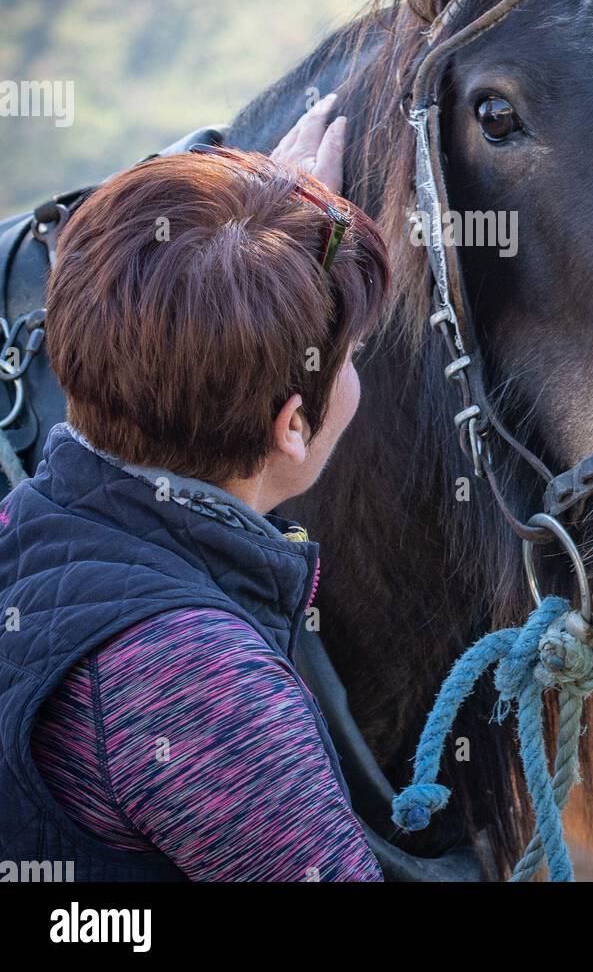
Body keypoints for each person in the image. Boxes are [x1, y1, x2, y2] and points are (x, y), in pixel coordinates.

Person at [0, 96, 390, 882]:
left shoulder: (23, 527)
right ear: (290, 426)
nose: (352, 372)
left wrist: (254, 233)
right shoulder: (202, 689)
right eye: (347, 355)